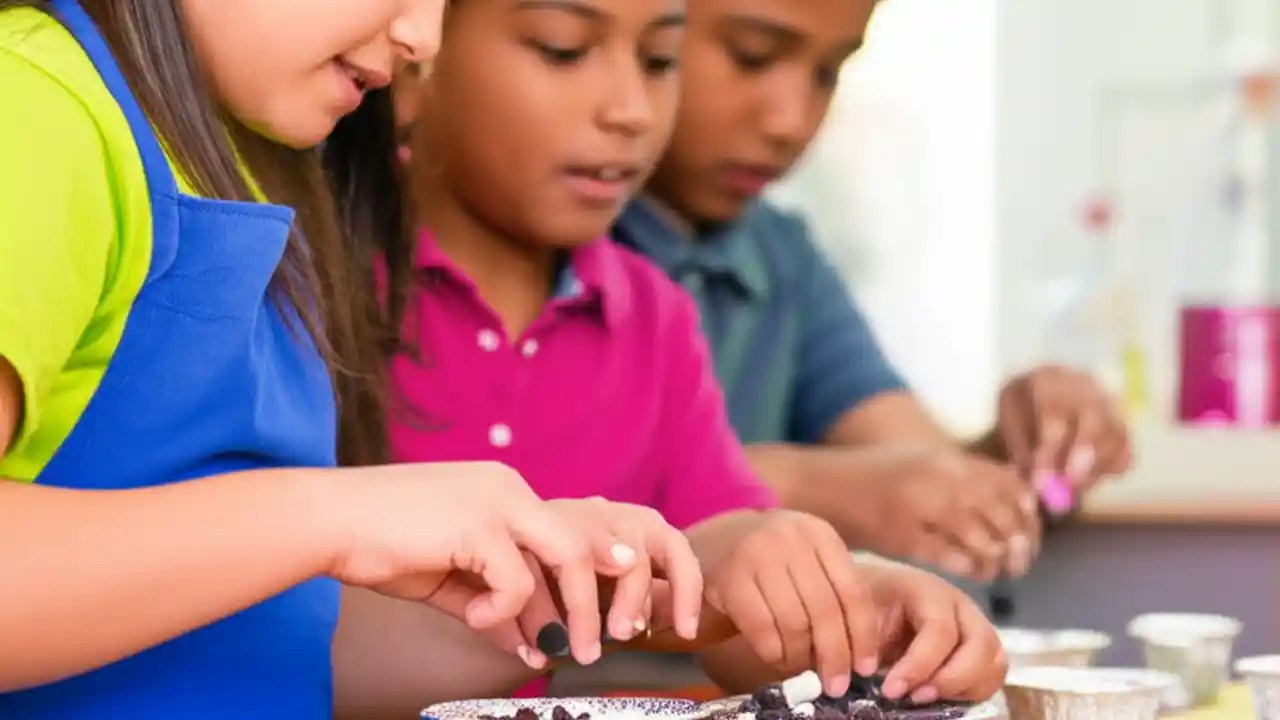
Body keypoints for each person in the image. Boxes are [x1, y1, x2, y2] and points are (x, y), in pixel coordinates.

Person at [0, 1, 706, 717]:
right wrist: (337, 518)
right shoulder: (30, 107)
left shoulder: (255, 158)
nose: (420, 37)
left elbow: (251, 646)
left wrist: (531, 585)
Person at [387, 0, 1006, 705]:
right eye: (562, 50)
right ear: (413, 51)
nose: (633, 111)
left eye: (658, 61)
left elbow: (727, 572)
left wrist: (853, 604)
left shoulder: (654, 317)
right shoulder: (311, 283)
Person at [611, 0, 1133, 584]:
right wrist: (817, 487)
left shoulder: (779, 258)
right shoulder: (563, 245)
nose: (792, 122)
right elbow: (549, 493)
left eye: (828, 73)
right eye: (751, 56)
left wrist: (1028, 453)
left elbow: (915, 464)